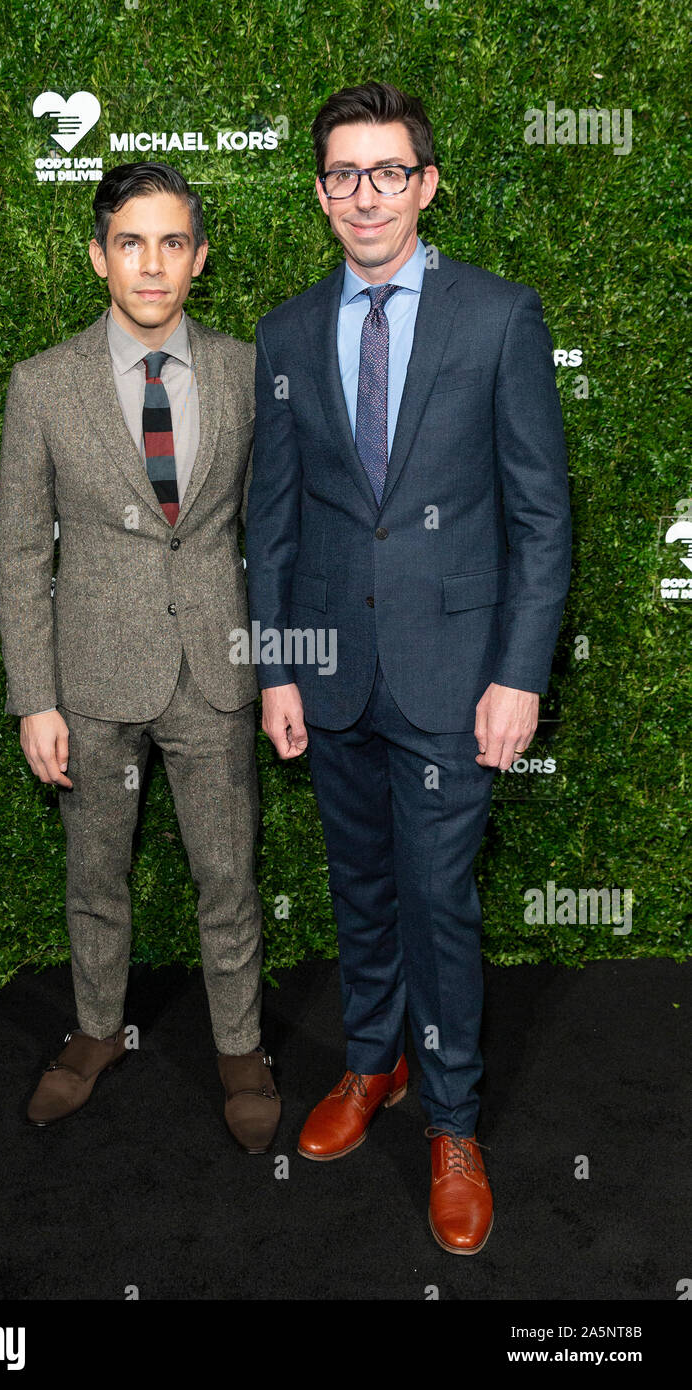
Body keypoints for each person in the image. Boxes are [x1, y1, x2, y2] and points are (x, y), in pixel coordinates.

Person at [245, 82, 571, 1250]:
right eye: (344, 174)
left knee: (436, 900)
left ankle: (452, 1121)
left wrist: (517, 676)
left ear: (425, 184)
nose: (365, 195)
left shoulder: (498, 316)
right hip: (330, 668)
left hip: (456, 675)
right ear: (319, 191)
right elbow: (272, 520)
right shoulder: (286, 333)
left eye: (388, 172)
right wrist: (276, 667)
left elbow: (538, 515)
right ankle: (371, 1063)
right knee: (361, 886)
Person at [0, 161, 280, 1153]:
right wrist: (34, 697)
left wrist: (277, 668)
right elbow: (22, 552)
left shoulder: (247, 371)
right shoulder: (42, 384)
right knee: (95, 874)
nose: (151, 264)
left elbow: (271, 532)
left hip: (216, 668)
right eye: (130, 243)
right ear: (98, 257)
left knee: (228, 875)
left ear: (198, 258)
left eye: (171, 243)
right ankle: (92, 1030)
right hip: (92, 677)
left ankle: (240, 1048)